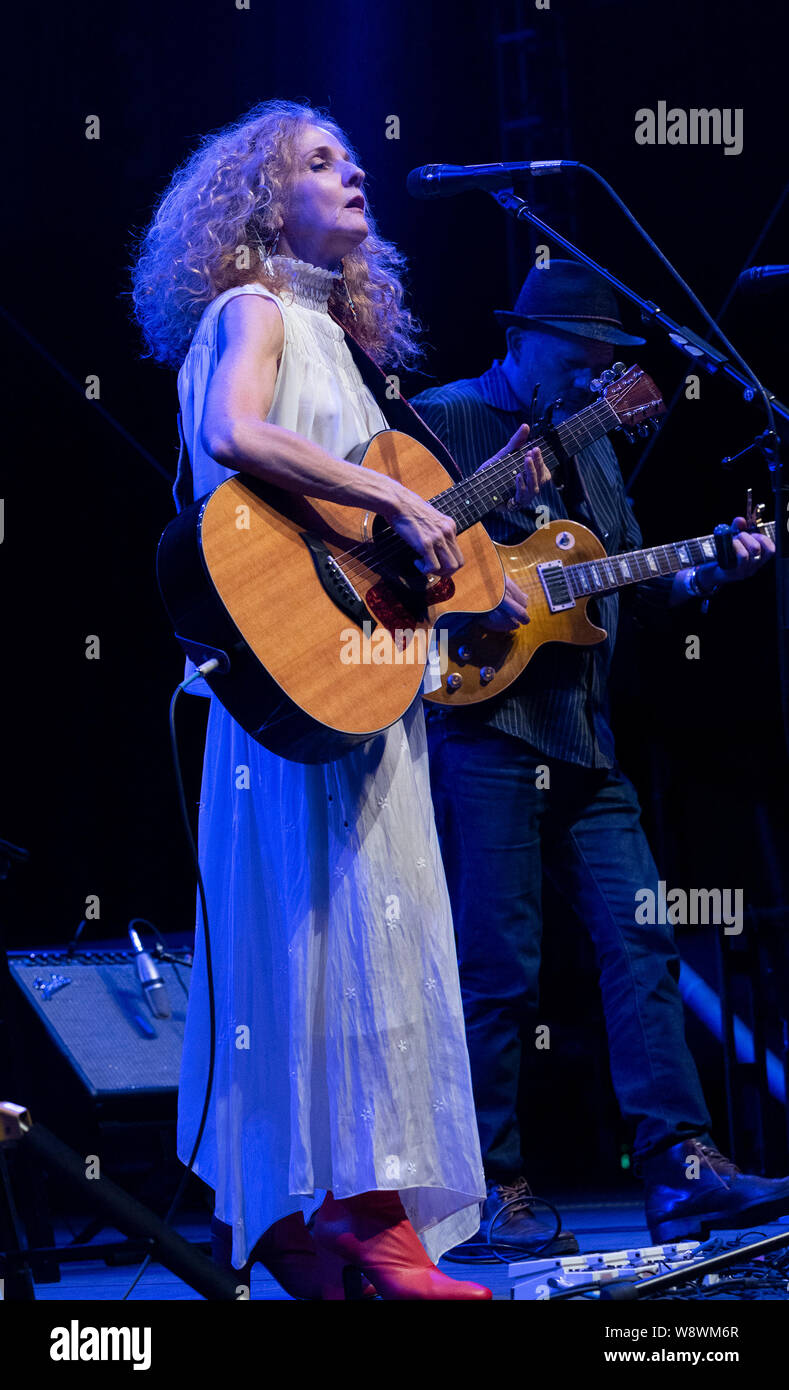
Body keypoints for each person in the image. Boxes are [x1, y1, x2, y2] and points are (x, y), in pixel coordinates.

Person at [131, 99, 548, 1300]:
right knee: (351, 927)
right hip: (293, 691)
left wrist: (471, 580)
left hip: (354, 685)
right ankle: (364, 1217)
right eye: (319, 162)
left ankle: (315, 1219)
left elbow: (368, 556)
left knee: (355, 931)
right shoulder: (252, 310)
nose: (352, 174)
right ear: (263, 202)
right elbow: (235, 433)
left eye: (354, 159)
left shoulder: (352, 355)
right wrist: (408, 512)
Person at [412, 258, 788, 1252]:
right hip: (486, 725)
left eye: (600, 371)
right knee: (499, 968)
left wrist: (710, 564)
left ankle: (683, 1168)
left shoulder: (597, 451)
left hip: (586, 739)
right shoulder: (442, 421)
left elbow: (629, 578)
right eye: (574, 365)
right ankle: (489, 1187)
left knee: (643, 942)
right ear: (519, 341)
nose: (587, 386)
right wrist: (495, 542)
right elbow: (402, 556)